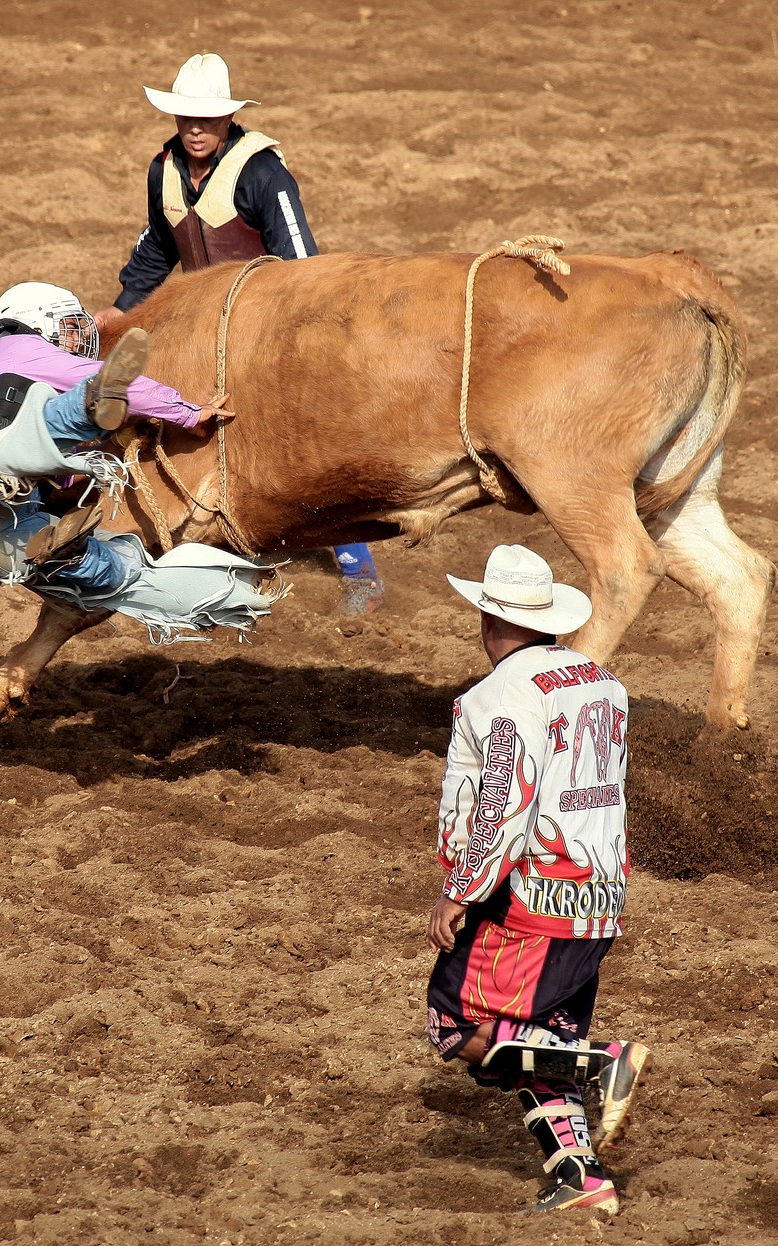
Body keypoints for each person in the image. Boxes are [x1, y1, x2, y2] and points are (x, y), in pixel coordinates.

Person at [91, 52, 383, 616]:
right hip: (200, 328)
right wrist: (122, 308)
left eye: (207, 119)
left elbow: (303, 264)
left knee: (302, 443)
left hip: (264, 327)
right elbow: (158, 245)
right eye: (186, 119)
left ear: (227, 119)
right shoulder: (164, 170)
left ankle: (358, 569)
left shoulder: (263, 173)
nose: (195, 129)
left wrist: (301, 340)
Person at [425, 544, 651, 1215]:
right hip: (601, 896)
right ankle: (581, 1180)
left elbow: (503, 806)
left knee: (454, 1021)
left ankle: (601, 1061)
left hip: (529, 900)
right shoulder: (602, 682)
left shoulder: (495, 698)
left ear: (489, 621)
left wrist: (460, 890)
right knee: (532, 1041)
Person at [0, 281, 282, 641]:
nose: (79, 338)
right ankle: (89, 403)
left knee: (120, 576)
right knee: (46, 427)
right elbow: (114, 390)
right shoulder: (18, 346)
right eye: (68, 326)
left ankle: (234, 597)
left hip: (0, 528)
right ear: (35, 324)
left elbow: (53, 473)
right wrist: (187, 413)